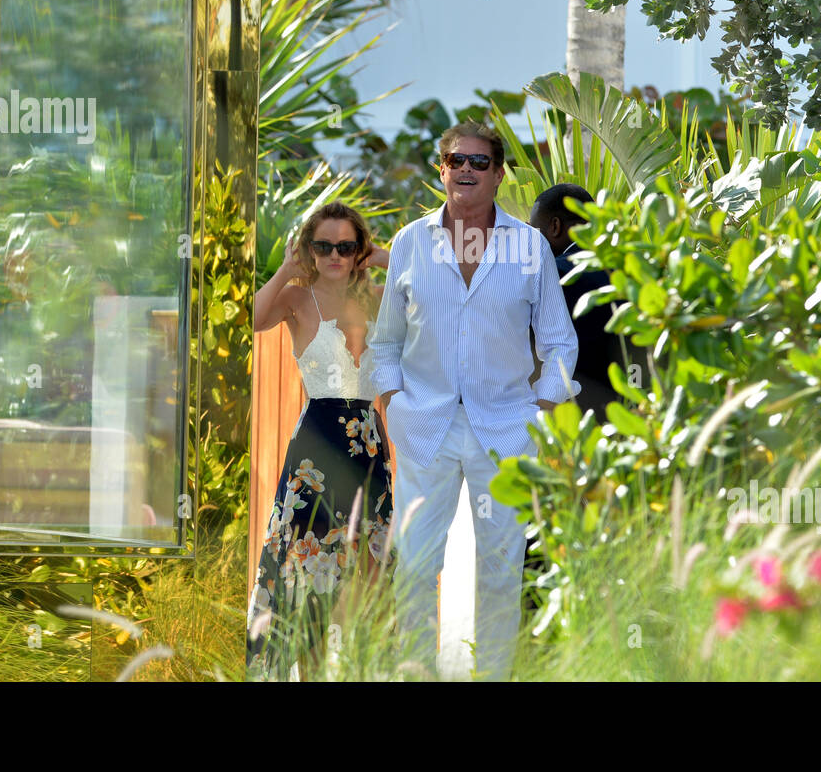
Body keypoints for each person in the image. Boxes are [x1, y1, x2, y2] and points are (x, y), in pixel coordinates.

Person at [370, 120, 581, 681]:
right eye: (455, 161)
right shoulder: (411, 243)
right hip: (425, 427)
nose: (466, 170)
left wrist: (543, 408)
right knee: (414, 567)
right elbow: (385, 339)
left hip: (506, 429)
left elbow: (559, 338)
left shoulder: (530, 246)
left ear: (498, 174)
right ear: (442, 170)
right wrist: (393, 402)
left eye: (479, 162)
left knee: (501, 569)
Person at [245, 201, 393, 682]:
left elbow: (432, 302)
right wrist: (287, 268)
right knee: (308, 582)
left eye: (345, 246)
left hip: (369, 448)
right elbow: (254, 318)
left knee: (371, 578)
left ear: (358, 251)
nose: (334, 254)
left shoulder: (378, 298)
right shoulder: (296, 298)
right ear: (311, 249)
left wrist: (387, 259)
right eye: (323, 245)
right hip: (315, 453)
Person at [528, 183, 647, 422]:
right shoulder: (637, 272)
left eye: (533, 231)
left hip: (574, 425)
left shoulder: (549, 275)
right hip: (636, 421)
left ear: (555, 226)